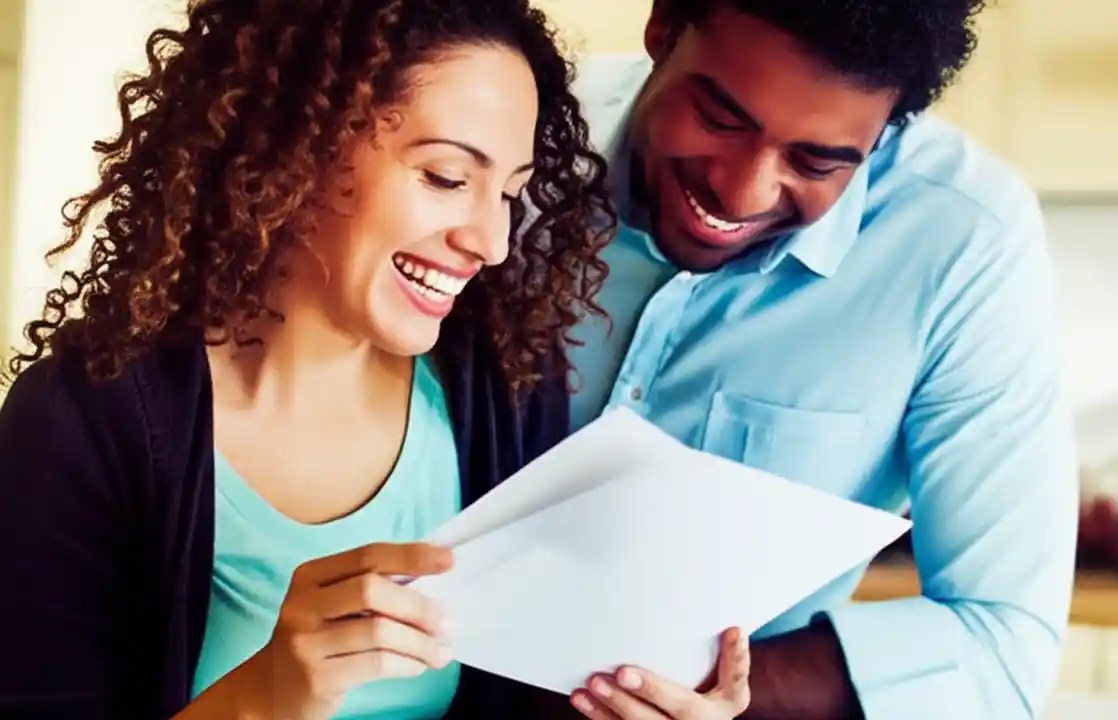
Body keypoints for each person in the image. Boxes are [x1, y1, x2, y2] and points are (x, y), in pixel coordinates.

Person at [0, 1, 751, 718]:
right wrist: (264, 698)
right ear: (294, 140)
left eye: (509, 194)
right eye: (447, 178)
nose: (491, 243)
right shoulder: (80, 423)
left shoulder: (504, 384)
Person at [563, 1, 1079, 719]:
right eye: (718, 118)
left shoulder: (962, 239)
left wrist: (707, 697)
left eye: (815, 161)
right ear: (664, 27)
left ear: (889, 125)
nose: (740, 192)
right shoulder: (511, 132)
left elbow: (1001, 639)